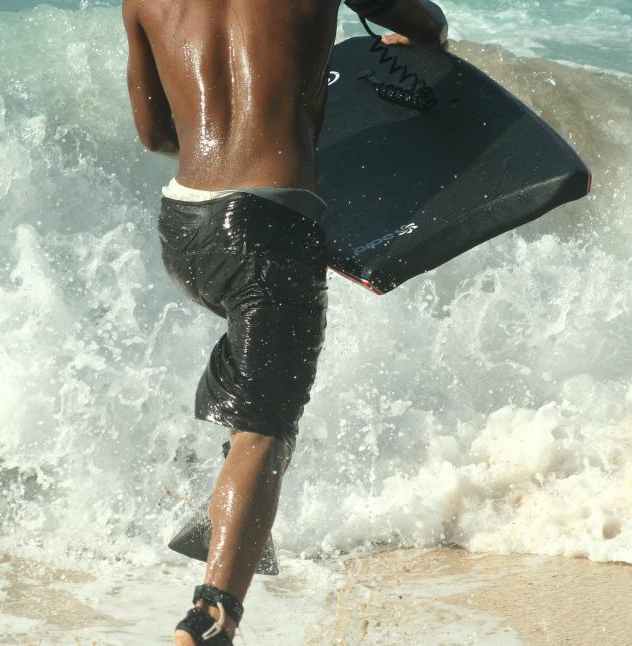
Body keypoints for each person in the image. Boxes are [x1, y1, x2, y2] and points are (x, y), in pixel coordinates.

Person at [122, 1, 448, 643]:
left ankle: (218, 510)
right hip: (270, 228)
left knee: (255, 388)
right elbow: (425, 23)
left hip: (184, 230)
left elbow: (157, 136)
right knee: (264, 432)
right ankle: (210, 617)